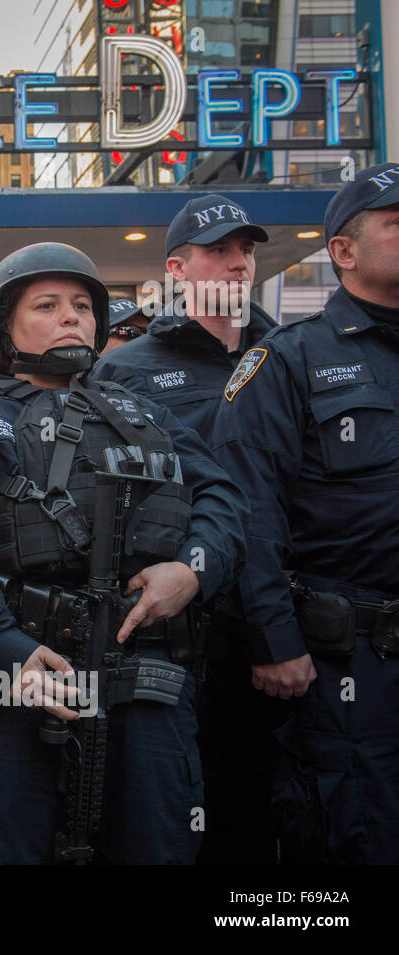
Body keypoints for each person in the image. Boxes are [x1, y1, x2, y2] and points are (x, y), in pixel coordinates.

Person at [0, 242, 246, 864]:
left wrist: (190, 571)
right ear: (2, 327)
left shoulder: (146, 414)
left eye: (83, 306)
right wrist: (3, 649)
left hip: (142, 683)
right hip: (15, 682)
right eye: (48, 305)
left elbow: (224, 500)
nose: (73, 317)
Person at [212, 163, 399, 864]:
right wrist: (273, 638)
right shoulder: (288, 361)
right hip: (347, 660)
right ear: (344, 252)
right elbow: (247, 510)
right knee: (356, 832)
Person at [91, 195, 280, 863]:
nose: (237, 263)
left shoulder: (284, 352)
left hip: (282, 619)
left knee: (268, 809)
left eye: (246, 250)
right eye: (219, 250)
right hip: (174, 623)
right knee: (165, 813)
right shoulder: (128, 366)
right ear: (177, 267)